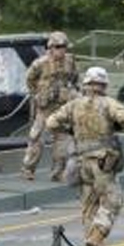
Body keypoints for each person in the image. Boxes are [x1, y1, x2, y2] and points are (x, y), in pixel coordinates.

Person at [45, 66, 124, 246]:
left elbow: (51, 122)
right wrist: (114, 126)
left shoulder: (73, 105)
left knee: (88, 205)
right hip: (102, 160)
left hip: (80, 160)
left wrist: (71, 131)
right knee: (112, 200)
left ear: (86, 84)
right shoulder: (108, 103)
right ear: (104, 85)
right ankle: (97, 236)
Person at [21, 30, 77, 181]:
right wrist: (38, 94)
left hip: (62, 107)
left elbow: (74, 78)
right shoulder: (40, 63)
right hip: (45, 107)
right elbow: (29, 79)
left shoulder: (70, 61)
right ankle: (28, 168)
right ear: (51, 48)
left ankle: (58, 172)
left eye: (64, 46)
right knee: (36, 137)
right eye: (59, 46)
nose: (62, 50)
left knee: (62, 140)